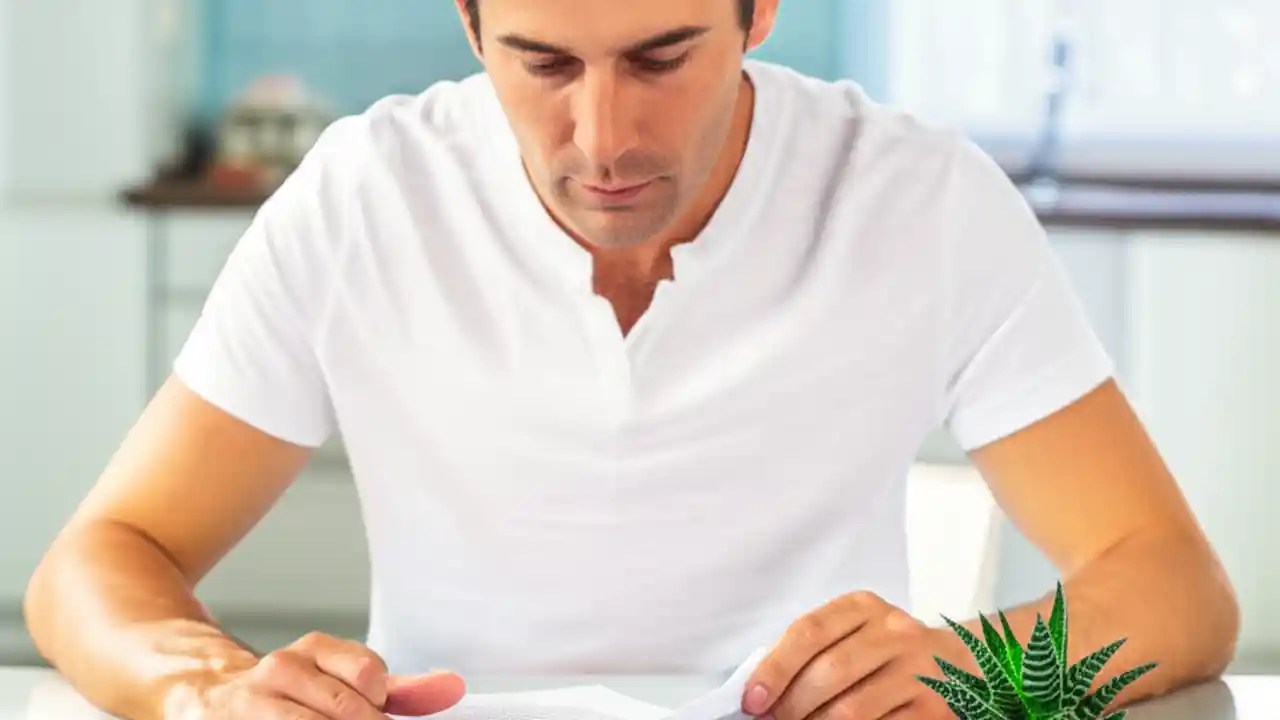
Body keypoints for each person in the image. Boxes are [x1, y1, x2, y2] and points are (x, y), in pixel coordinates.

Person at [25, 1, 1240, 719]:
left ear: (757, 10)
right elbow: (101, 560)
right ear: (468, 22)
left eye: (660, 58)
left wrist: (983, 680)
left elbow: (1173, 589)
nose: (601, 141)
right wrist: (202, 689)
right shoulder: (363, 196)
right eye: (542, 63)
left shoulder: (919, 199)